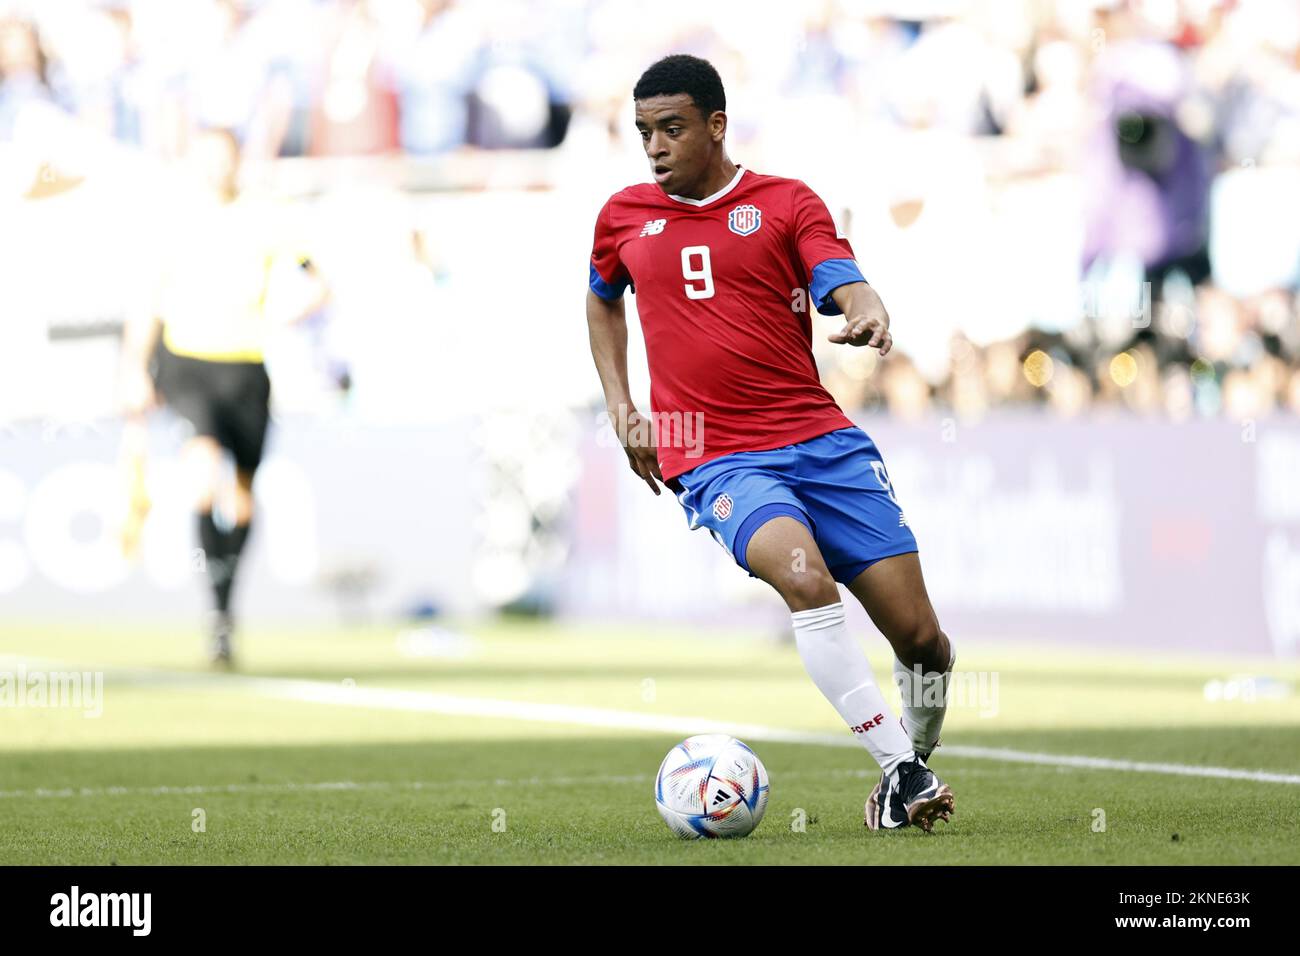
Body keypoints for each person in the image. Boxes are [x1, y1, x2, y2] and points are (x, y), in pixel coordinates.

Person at [586, 55, 956, 831]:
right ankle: (900, 772)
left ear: (717, 126)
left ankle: (916, 750)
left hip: (819, 440)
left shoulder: (785, 203)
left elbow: (843, 277)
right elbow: (602, 304)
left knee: (922, 641)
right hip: (713, 452)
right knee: (806, 579)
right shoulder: (622, 216)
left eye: (673, 129)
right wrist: (623, 406)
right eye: (645, 131)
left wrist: (868, 308)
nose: (655, 146)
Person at [119, 126, 326, 665]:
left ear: (238, 162)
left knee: (240, 498)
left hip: (246, 368)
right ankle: (215, 614)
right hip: (187, 363)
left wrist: (294, 310)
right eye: (205, 159)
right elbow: (148, 303)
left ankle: (225, 610)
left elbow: (318, 278)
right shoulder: (172, 220)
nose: (215, 169)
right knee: (203, 475)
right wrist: (135, 368)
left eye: (224, 158)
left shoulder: (267, 217)